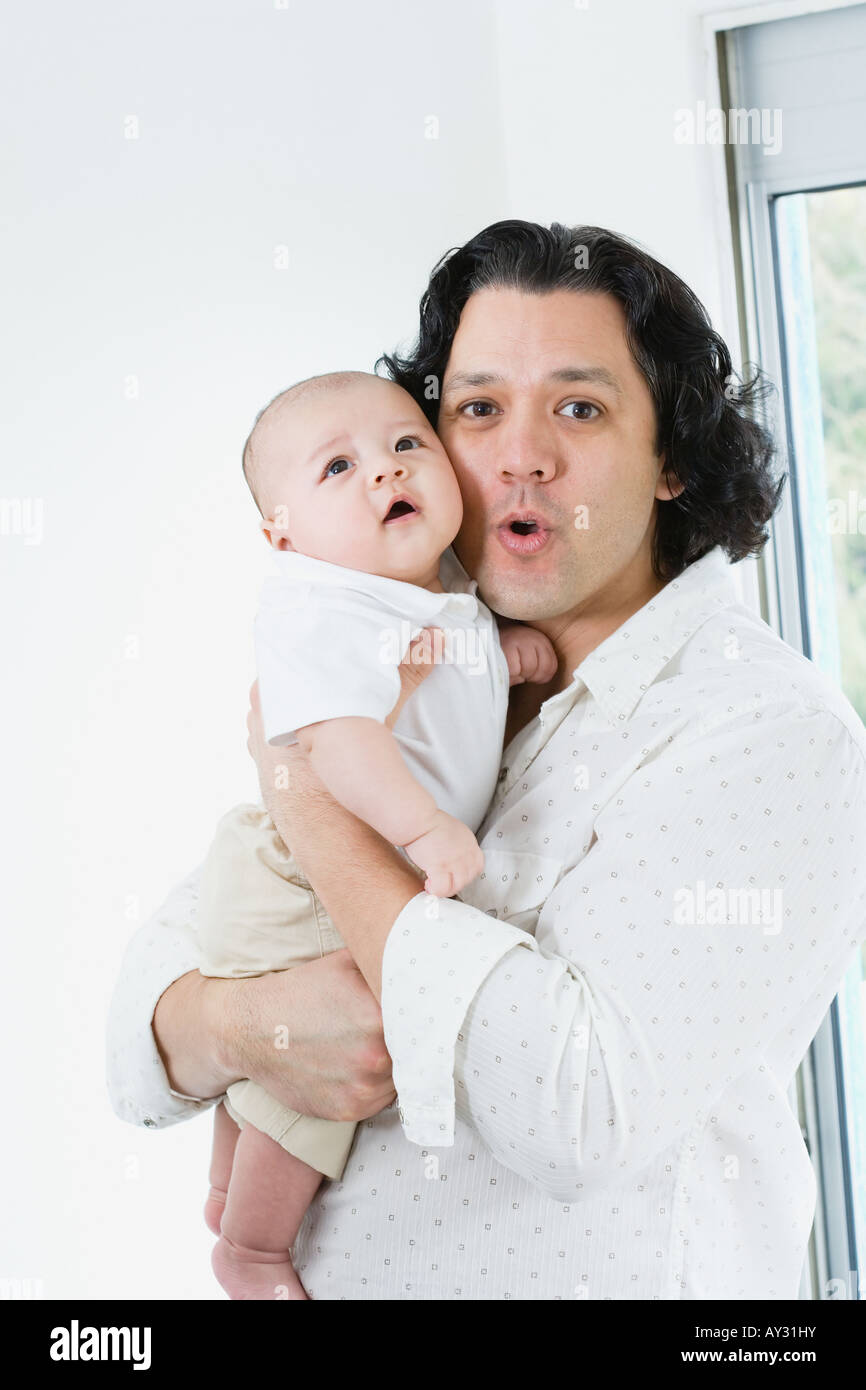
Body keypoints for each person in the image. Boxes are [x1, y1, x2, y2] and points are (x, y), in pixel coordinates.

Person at [107, 220, 866, 1300]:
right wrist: (242, 1027)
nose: (518, 453)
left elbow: (576, 1114)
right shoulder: (421, 654)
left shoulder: (765, 734)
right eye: (474, 409)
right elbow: (139, 1035)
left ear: (671, 464)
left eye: (578, 407)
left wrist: (308, 796)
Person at [197, 369, 554, 1299]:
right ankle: (255, 1248)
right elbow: (339, 744)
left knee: (288, 1044)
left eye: (405, 446)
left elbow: (439, 665)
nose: (382, 474)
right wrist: (421, 823)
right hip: (300, 873)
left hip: (329, 859)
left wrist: (497, 652)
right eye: (338, 467)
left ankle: (226, 1188)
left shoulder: (428, 589)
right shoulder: (322, 608)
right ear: (284, 535)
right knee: (312, 1070)